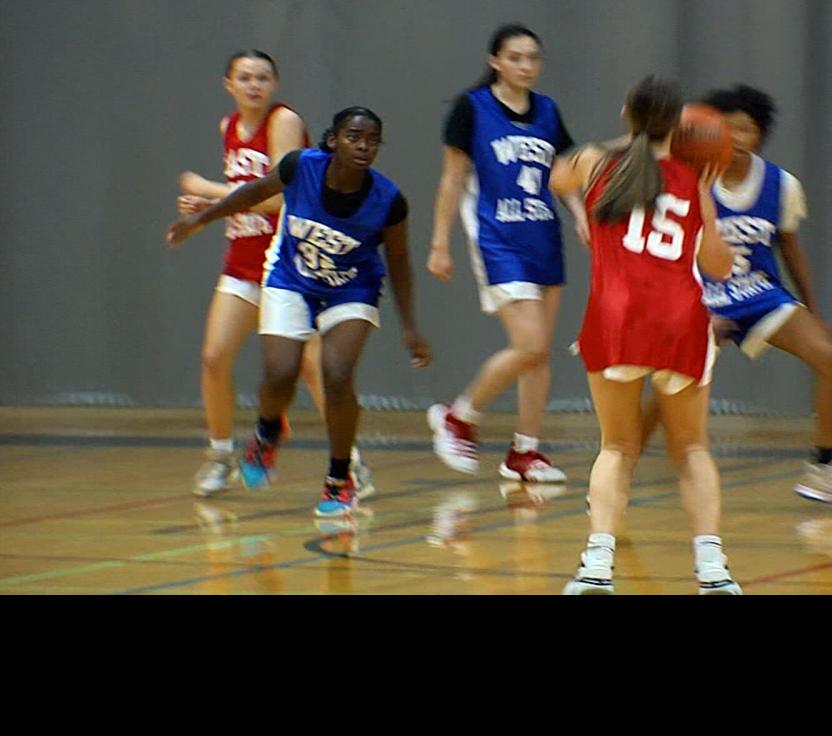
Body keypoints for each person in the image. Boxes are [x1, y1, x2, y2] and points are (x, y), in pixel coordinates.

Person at [166, 107, 431, 518]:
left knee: (337, 374)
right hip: (292, 277)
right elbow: (251, 194)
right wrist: (200, 219)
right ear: (332, 141)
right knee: (280, 373)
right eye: (353, 136)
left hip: (352, 288)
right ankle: (269, 429)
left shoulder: (389, 200)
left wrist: (411, 326)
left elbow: (399, 261)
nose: (363, 145)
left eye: (372, 140)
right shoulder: (301, 167)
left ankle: (339, 478)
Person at [548, 77, 740, 595]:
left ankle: (596, 566)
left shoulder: (593, 162)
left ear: (626, 111)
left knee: (616, 447)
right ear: (679, 126)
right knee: (691, 447)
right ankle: (713, 570)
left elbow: (558, 179)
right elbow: (719, 267)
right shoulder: (692, 182)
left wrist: (587, 217)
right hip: (678, 318)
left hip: (615, 318)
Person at [634, 84, 832, 505]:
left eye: (748, 130)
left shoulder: (781, 184)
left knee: (831, 358)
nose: (738, 138)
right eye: (728, 129)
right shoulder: (683, 181)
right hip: (700, 297)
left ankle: (824, 470)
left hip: (759, 294)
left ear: (760, 135)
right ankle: (618, 469)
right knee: (666, 386)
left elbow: (790, 248)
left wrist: (813, 311)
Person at [176, 52, 372, 497]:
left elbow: (280, 197)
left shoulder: (282, 122)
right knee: (213, 357)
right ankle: (221, 454)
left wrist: (206, 190)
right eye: (244, 78)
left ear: (275, 84)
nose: (254, 85)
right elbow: (242, 198)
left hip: (287, 266)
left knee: (312, 367)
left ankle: (352, 463)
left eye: (263, 78)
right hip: (242, 261)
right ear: (228, 84)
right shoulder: (228, 128)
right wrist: (210, 208)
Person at [425, 24, 589, 484]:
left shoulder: (548, 111)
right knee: (529, 344)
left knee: (539, 355)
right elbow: (452, 179)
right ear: (496, 61)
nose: (526, 66)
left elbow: (565, 172)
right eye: (516, 57)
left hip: (544, 237)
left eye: (533, 58)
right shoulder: (472, 109)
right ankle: (460, 415)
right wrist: (440, 242)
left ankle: (525, 452)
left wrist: (578, 213)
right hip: (498, 239)